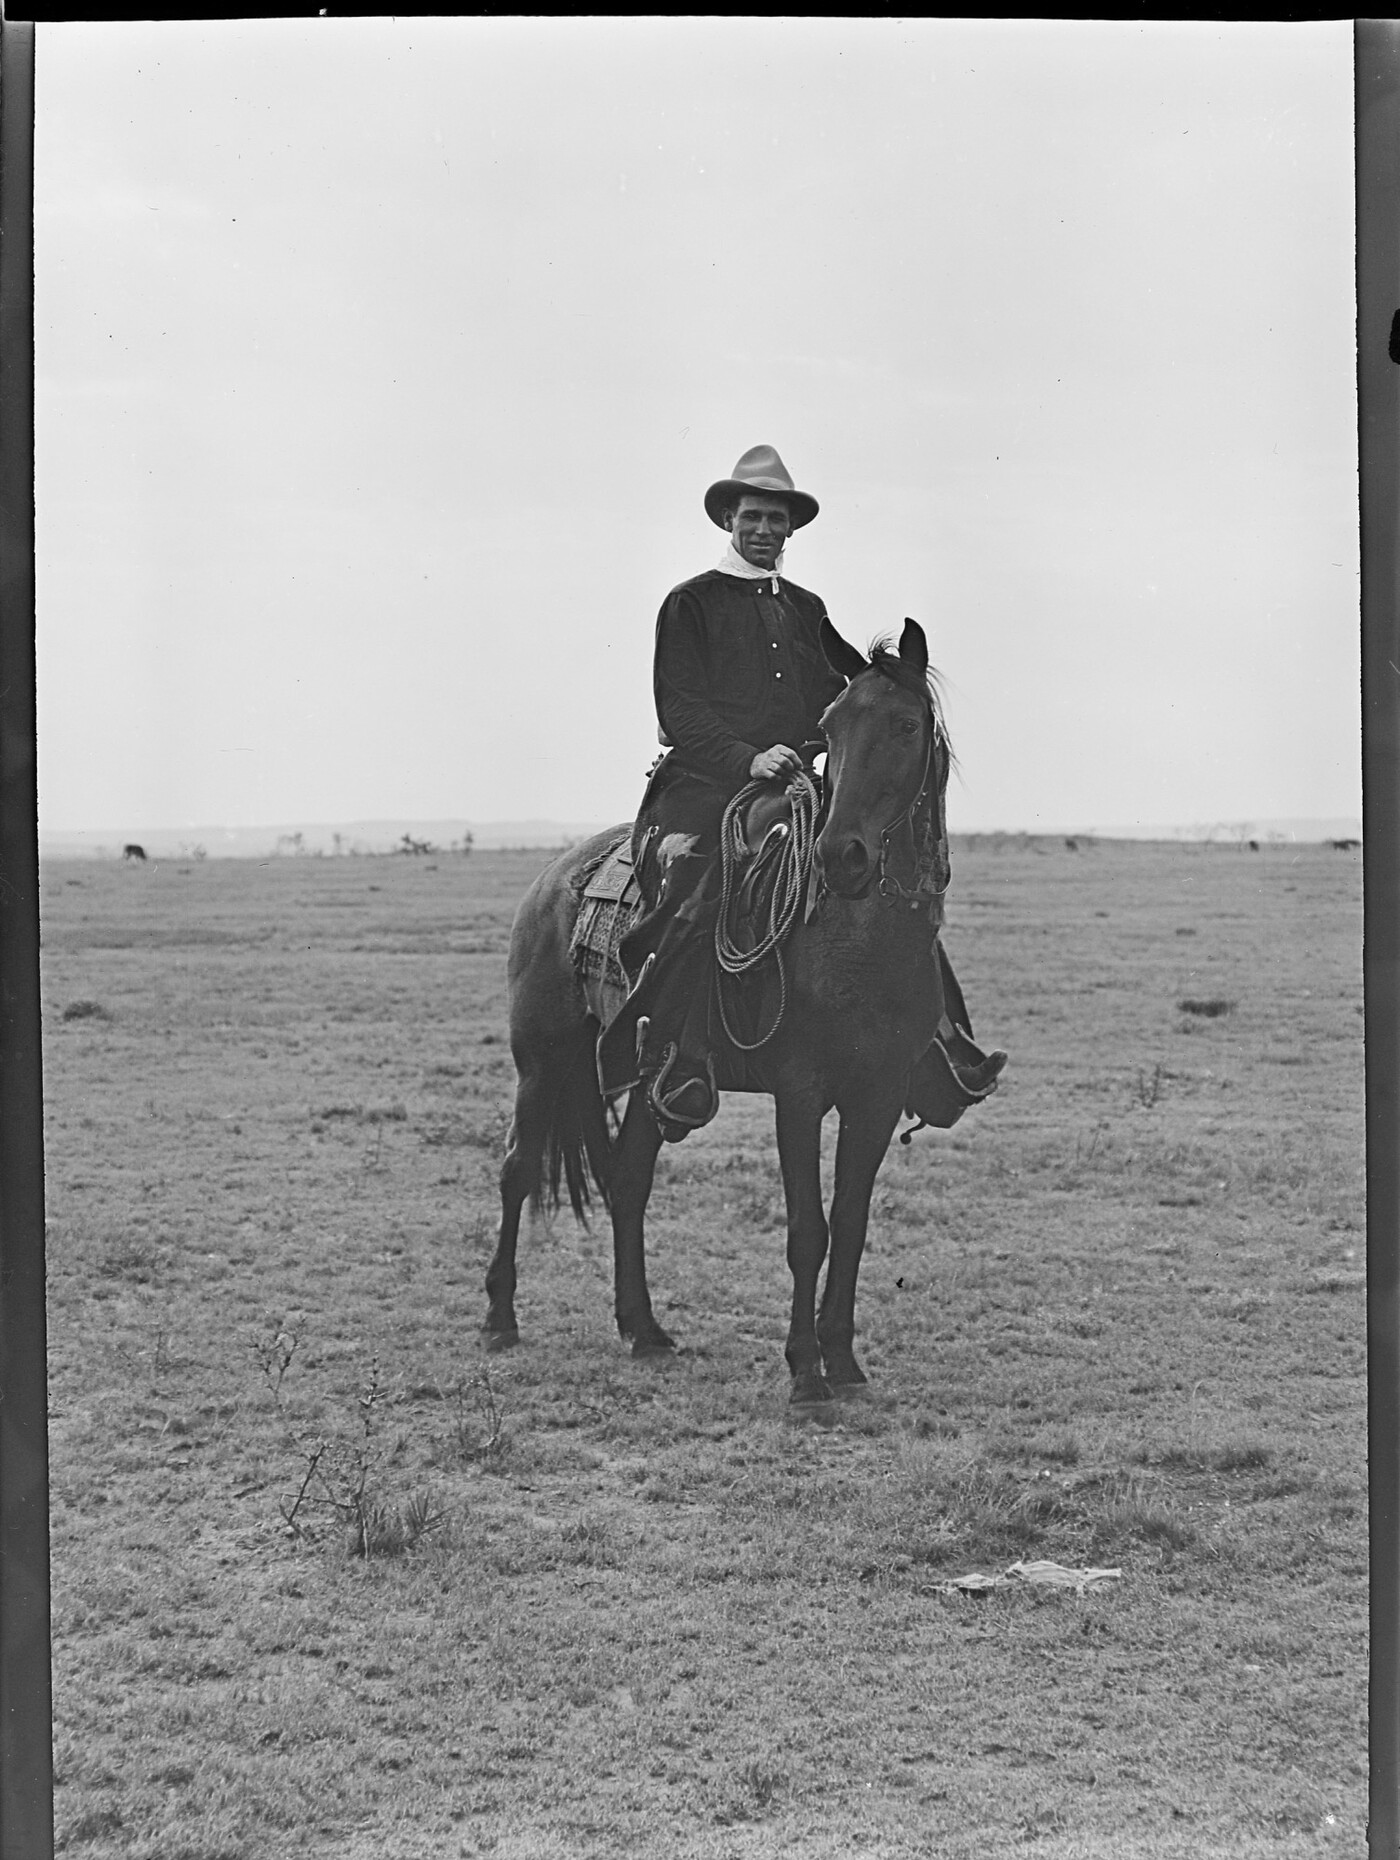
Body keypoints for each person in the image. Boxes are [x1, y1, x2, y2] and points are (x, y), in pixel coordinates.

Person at [595, 444, 1004, 1137]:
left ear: (791, 529)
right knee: (703, 877)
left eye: (776, 520)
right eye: (752, 515)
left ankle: (939, 1044)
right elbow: (679, 712)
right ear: (729, 518)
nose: (764, 529)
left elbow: (831, 705)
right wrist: (749, 758)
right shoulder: (688, 603)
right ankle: (673, 1054)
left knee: (887, 879)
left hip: (791, 790)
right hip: (700, 786)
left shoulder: (807, 610)